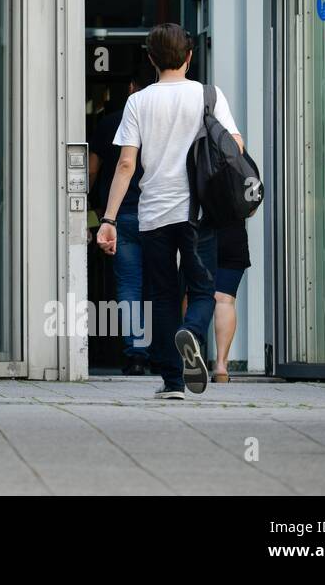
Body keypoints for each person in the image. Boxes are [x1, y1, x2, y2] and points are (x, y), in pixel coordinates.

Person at [96, 24, 244, 400]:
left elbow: (126, 164)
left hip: (153, 213)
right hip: (198, 212)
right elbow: (236, 147)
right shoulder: (208, 96)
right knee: (203, 288)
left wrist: (109, 219)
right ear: (190, 56)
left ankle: (173, 382)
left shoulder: (138, 102)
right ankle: (192, 333)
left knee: (162, 296)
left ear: (151, 59)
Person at [89, 59, 156, 375]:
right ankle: (164, 352)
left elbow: (91, 170)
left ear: (131, 89)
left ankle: (136, 354)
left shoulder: (109, 123)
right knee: (161, 284)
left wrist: (99, 210)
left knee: (129, 285)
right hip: (160, 214)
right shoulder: (163, 121)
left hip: (122, 214)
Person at [212, 220, 251, 383]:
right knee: (225, 300)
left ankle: (187, 359)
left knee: (192, 296)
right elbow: (250, 208)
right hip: (234, 236)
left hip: (201, 233)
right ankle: (221, 365)